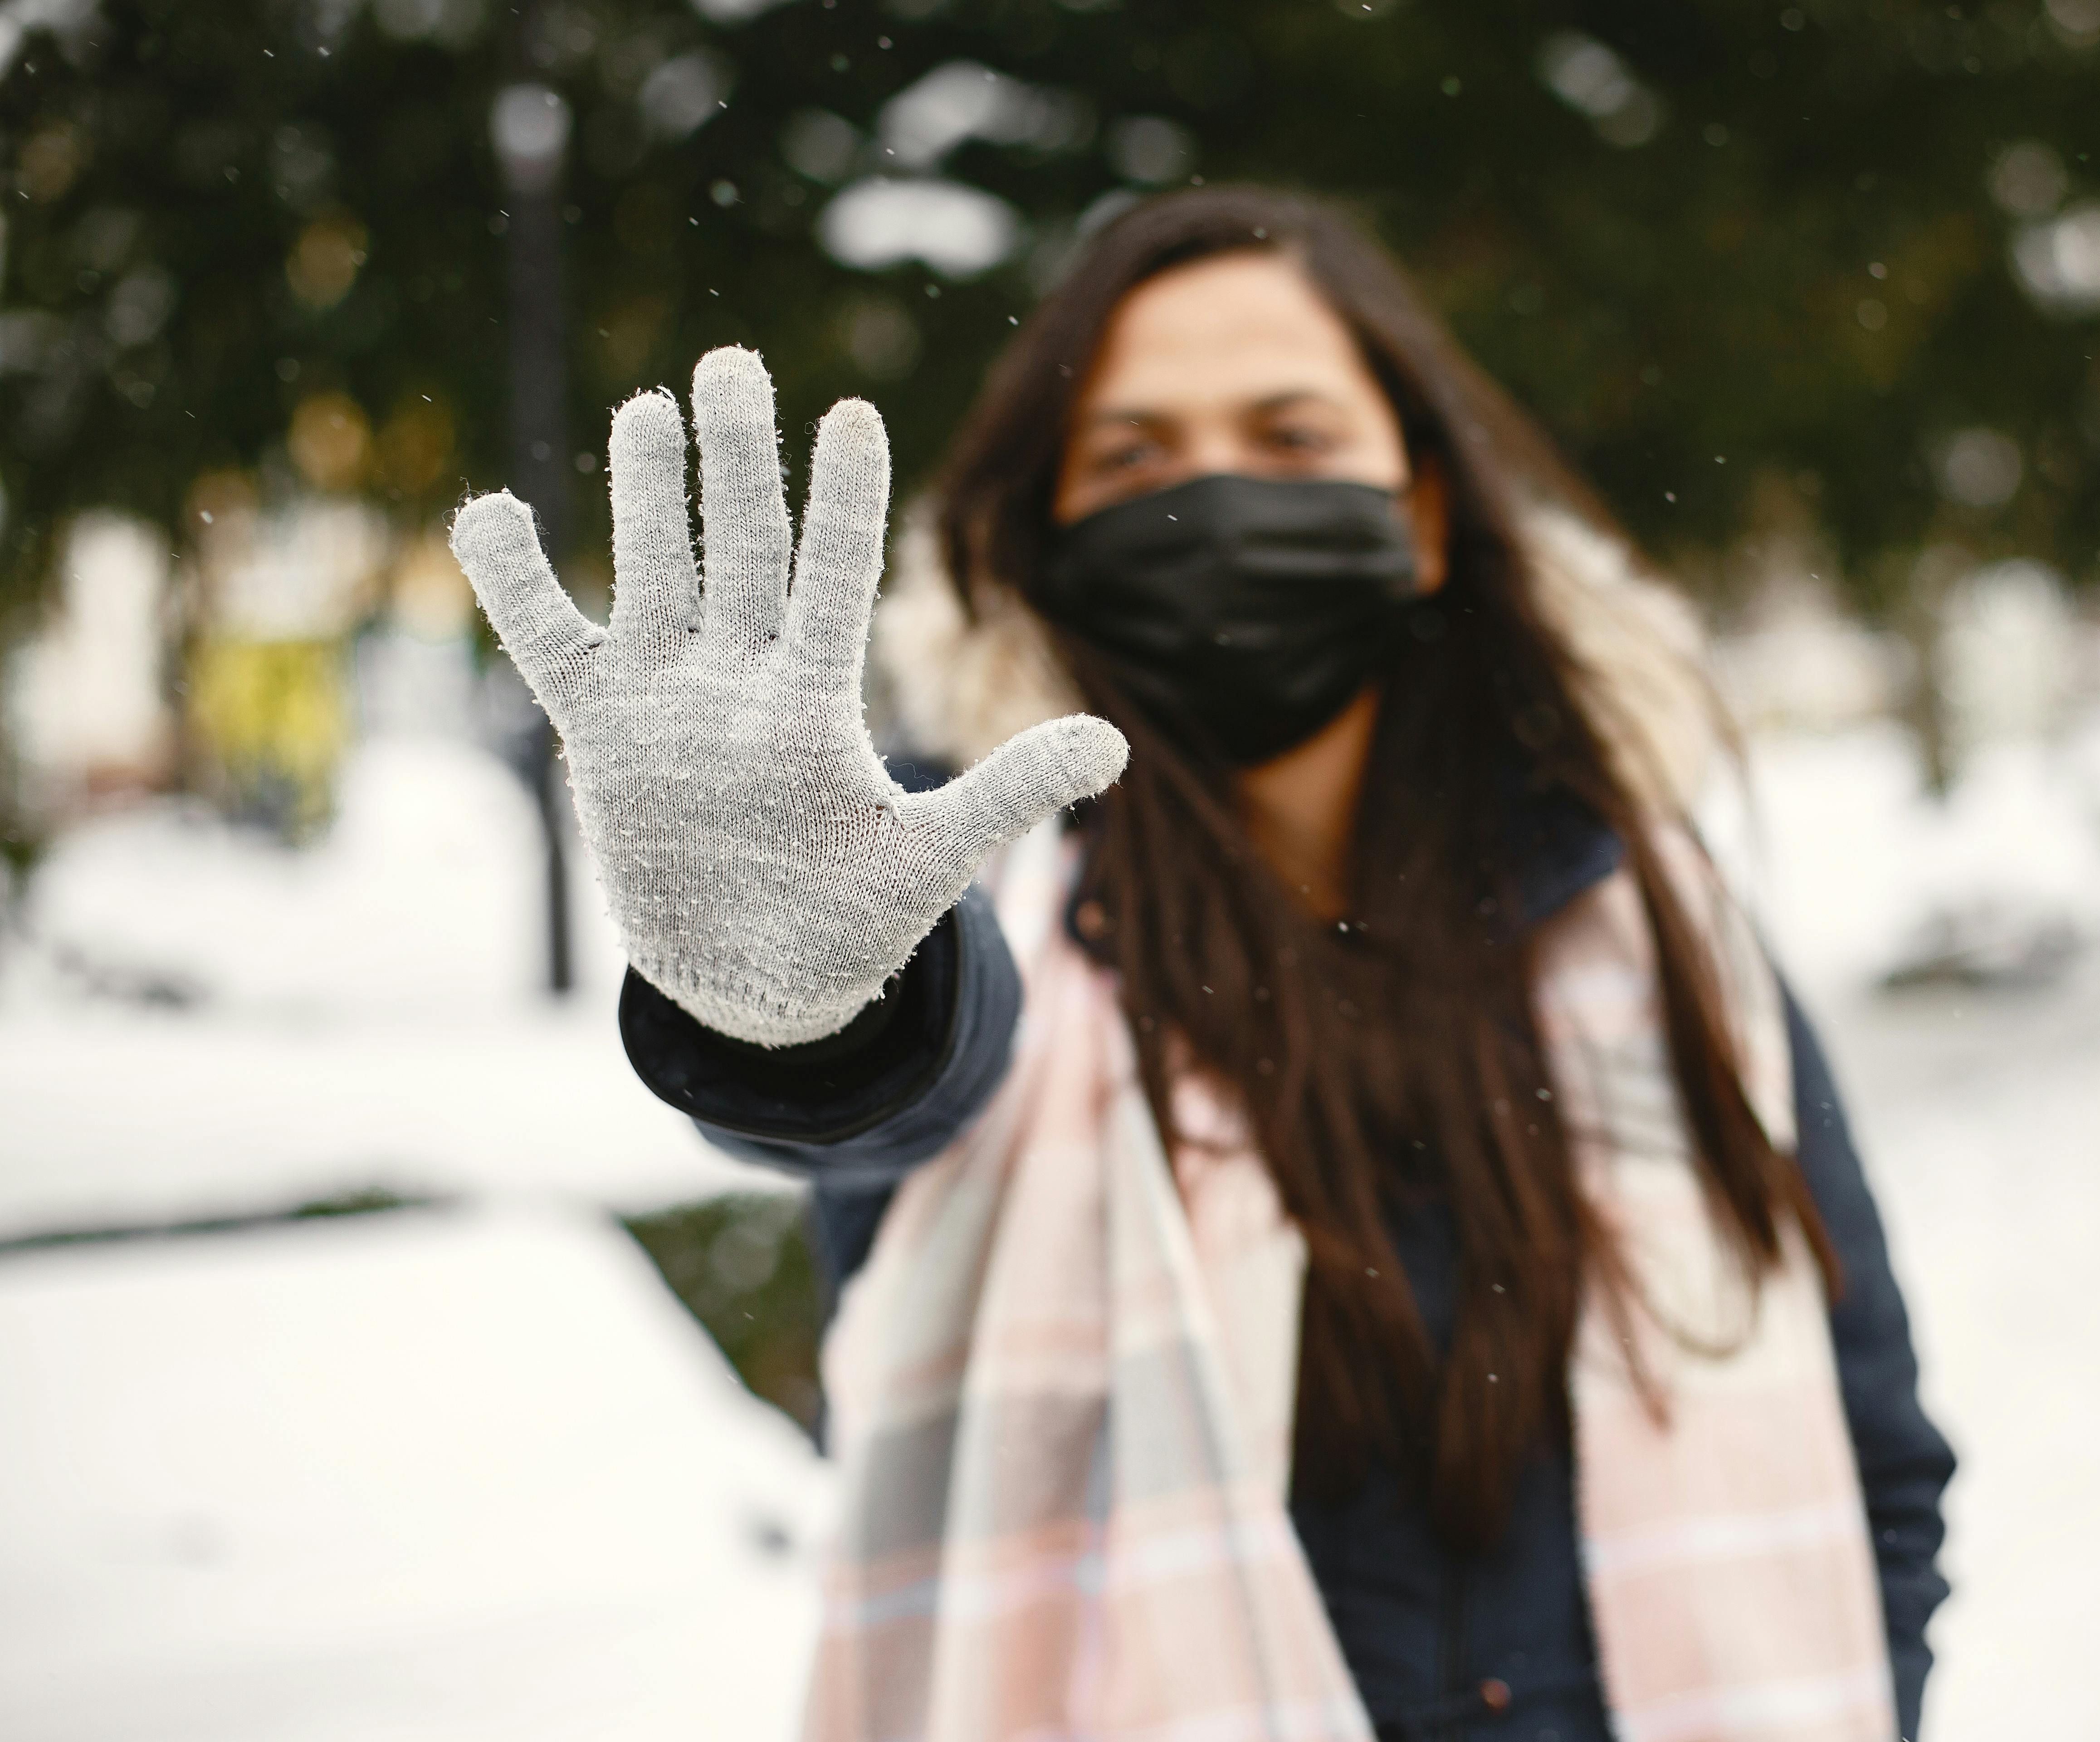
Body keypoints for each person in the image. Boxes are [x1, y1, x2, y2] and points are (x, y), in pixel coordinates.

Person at [452, 186, 1953, 1742]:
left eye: (1292, 437)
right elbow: (906, 1079)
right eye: (1135, 458)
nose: (1219, 501)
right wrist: (806, 1019)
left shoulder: (1649, 919)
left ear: (1425, 514)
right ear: (1053, 539)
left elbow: (1877, 1470)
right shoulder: (970, 904)